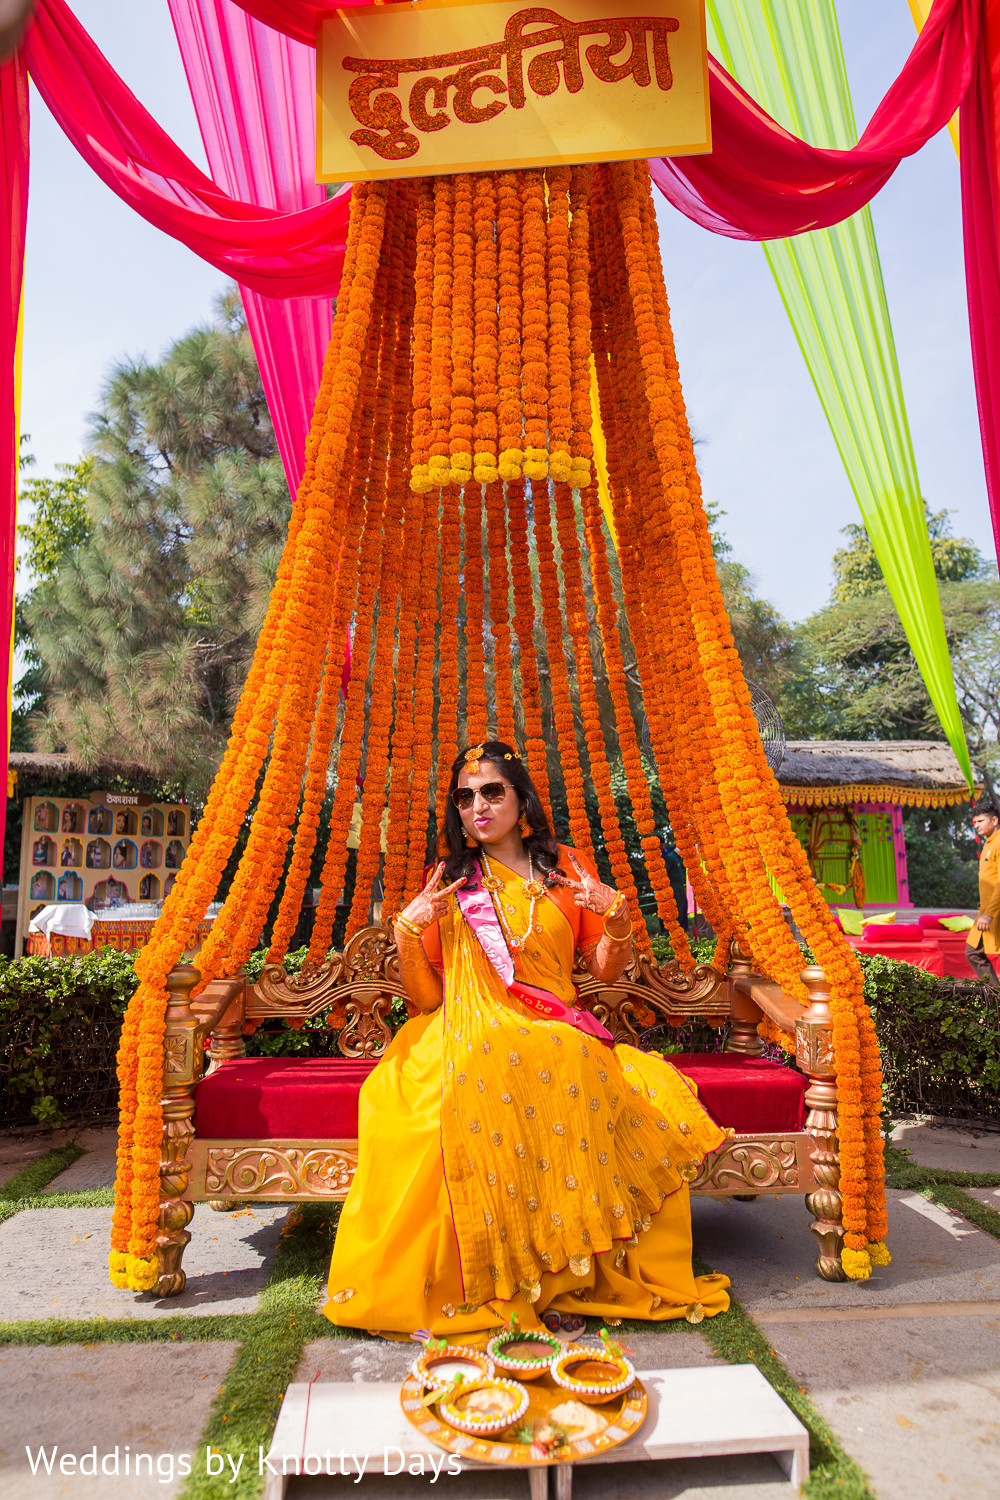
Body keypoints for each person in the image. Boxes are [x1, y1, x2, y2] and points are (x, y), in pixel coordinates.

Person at [324, 740, 730, 1339]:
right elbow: (428, 1000)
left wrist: (616, 922)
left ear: (522, 800)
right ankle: (508, 1266)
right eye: (465, 798)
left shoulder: (567, 868)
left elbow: (605, 969)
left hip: (553, 1026)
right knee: (490, 1067)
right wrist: (409, 933)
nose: (478, 808)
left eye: (492, 792)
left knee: (562, 1054)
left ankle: (562, 1267)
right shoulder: (449, 880)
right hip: (464, 1025)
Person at [966, 797, 1000, 990]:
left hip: (994, 912)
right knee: (973, 951)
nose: (976, 826)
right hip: (987, 911)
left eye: (980, 821)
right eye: (974, 823)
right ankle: (997, 999)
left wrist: (989, 913)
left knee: (973, 952)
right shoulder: (988, 843)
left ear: (994, 820)